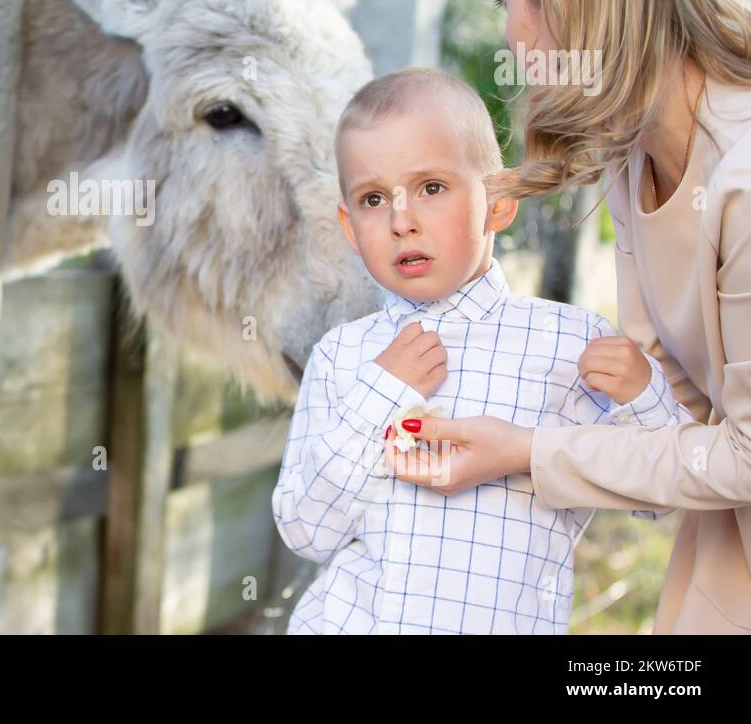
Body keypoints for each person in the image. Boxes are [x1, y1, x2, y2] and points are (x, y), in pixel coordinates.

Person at [393, 0, 751, 634]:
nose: (511, 38)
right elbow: (682, 417)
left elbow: (744, 457)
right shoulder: (636, 157)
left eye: (509, 1)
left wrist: (525, 449)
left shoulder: (744, 181)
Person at [271, 67, 690, 633]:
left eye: (432, 188)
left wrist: (645, 394)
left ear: (497, 202)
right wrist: (380, 395)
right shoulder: (341, 357)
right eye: (373, 198)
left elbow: (660, 496)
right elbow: (305, 530)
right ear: (350, 227)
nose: (402, 221)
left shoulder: (567, 344)